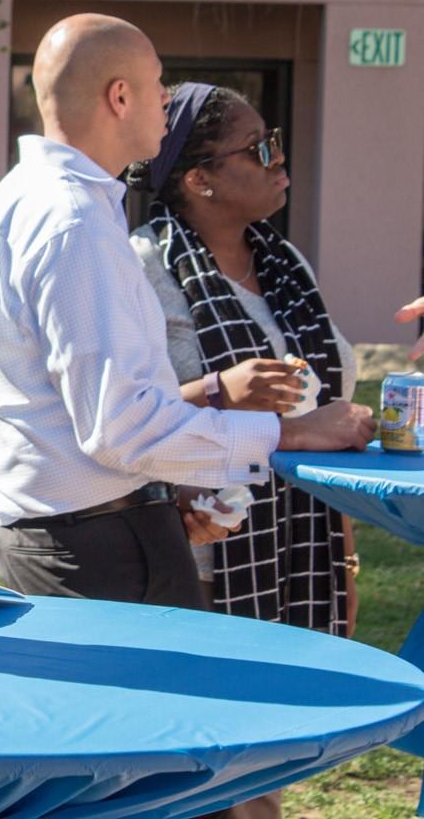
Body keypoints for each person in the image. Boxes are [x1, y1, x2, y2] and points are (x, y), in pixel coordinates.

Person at [0, 14, 375, 612]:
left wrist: (159, 488)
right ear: (120, 97)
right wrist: (293, 432)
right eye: (157, 82)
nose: (164, 98)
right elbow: (121, 427)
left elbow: (92, 417)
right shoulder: (73, 222)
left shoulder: (36, 200)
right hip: (97, 548)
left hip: (93, 531)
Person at [128, 84, 358, 659]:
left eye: (273, 140)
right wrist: (220, 393)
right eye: (257, 146)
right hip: (205, 559)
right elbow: (120, 415)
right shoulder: (142, 270)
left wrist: (346, 562)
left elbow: (326, 424)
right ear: (199, 179)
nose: (278, 157)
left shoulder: (287, 266)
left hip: (307, 552)